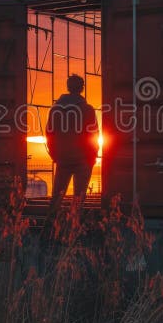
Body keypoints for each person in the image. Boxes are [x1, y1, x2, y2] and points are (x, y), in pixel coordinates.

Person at [45, 74, 99, 218]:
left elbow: (49, 134)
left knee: (56, 198)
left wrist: (55, 155)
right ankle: (74, 227)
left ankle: (49, 227)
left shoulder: (54, 110)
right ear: (82, 88)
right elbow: (94, 134)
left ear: (68, 87)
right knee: (78, 200)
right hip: (83, 160)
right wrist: (92, 157)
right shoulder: (88, 109)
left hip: (62, 159)